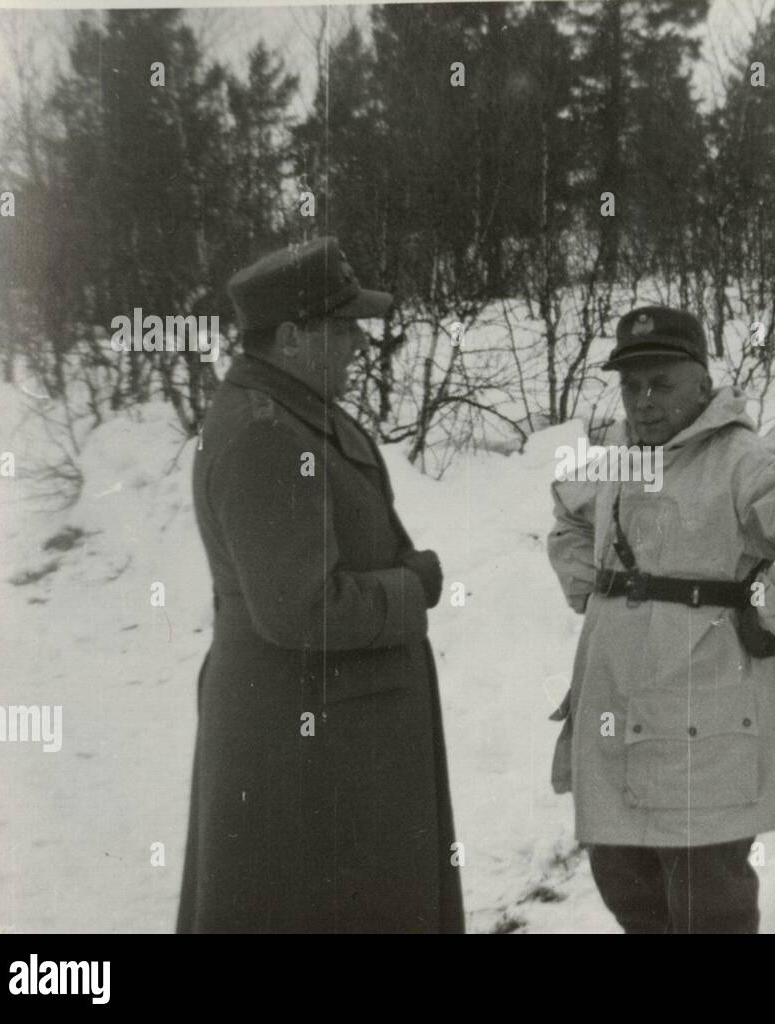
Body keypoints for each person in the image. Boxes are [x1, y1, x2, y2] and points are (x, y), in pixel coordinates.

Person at [546, 305, 775, 933]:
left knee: (705, 893)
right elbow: (569, 514)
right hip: (615, 697)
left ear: (701, 383)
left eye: (660, 384)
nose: (642, 401)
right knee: (622, 873)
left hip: (705, 710)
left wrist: (765, 614)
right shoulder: (618, 451)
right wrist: (595, 592)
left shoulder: (741, 461)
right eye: (630, 385)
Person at [176, 237, 464, 932]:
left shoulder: (292, 408)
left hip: (328, 730)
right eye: (343, 327)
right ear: (293, 336)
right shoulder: (265, 436)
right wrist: (410, 588)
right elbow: (304, 612)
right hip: (304, 745)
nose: (360, 343)